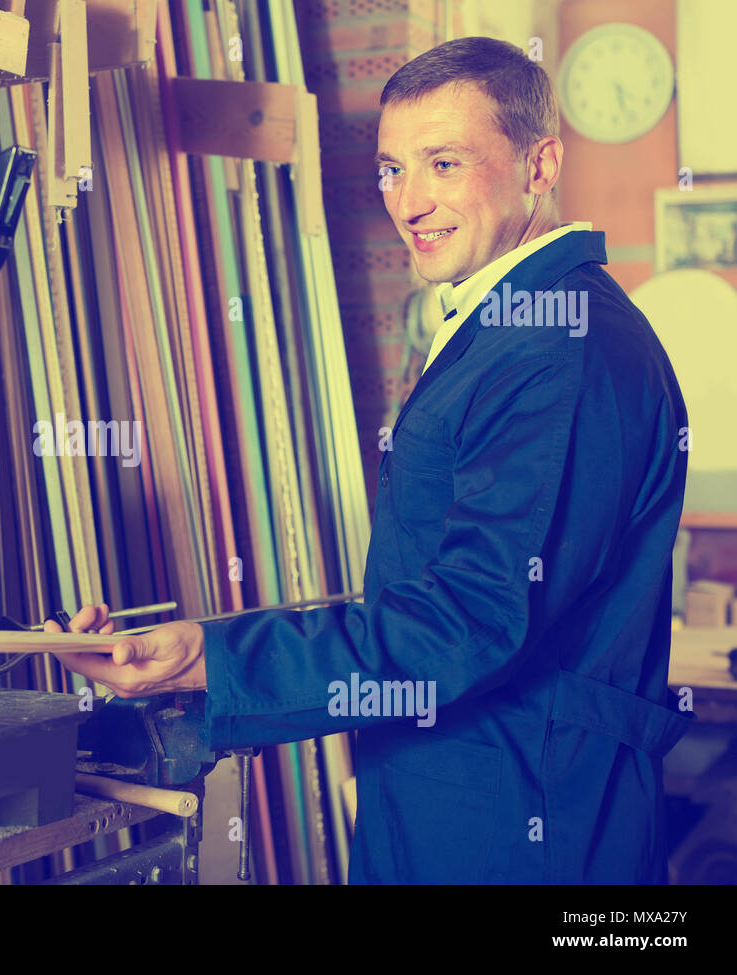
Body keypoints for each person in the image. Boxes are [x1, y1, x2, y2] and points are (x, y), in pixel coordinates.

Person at [47, 36, 692, 884]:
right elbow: (439, 599)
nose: (409, 202)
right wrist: (195, 653)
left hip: (520, 820)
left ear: (541, 165)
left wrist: (214, 661)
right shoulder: (510, 328)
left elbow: (467, 622)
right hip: (457, 793)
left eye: (444, 163)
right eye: (392, 169)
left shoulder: (557, 349)